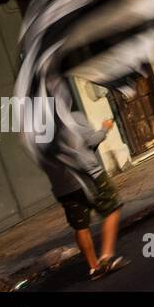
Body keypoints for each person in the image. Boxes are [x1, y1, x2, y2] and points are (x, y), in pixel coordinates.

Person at [44, 114, 128, 280]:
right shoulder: (73, 117)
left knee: (80, 227)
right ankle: (106, 257)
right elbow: (90, 142)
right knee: (112, 207)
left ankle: (94, 268)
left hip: (63, 186)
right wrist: (105, 128)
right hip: (89, 176)